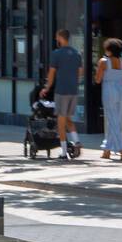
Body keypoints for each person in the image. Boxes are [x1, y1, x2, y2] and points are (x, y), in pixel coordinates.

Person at [40, 29, 84, 160]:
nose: (56, 40)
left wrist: (46, 88)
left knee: (60, 121)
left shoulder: (56, 54)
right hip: (73, 91)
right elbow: (80, 72)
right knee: (67, 119)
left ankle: (64, 152)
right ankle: (76, 141)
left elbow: (52, 73)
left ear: (60, 37)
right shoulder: (76, 54)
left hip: (62, 91)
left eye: (56, 37)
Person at [95, 38, 122, 161]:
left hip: (109, 89)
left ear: (109, 50)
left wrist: (98, 74)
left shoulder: (103, 62)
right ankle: (107, 150)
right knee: (117, 120)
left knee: (111, 120)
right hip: (121, 89)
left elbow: (98, 80)